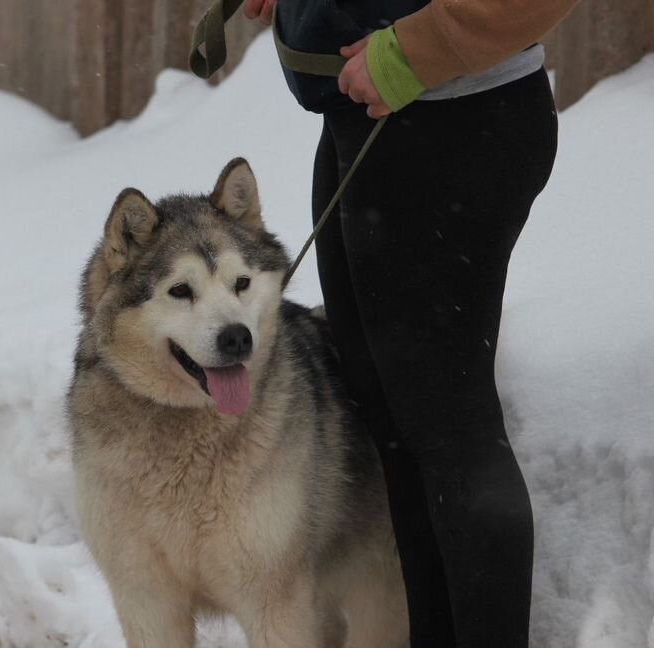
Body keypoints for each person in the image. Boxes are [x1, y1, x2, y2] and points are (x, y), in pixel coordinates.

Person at [242, 1, 577, 647]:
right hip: (367, 116)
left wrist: (423, 46)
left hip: (452, 120)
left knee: (450, 427)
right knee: (394, 420)